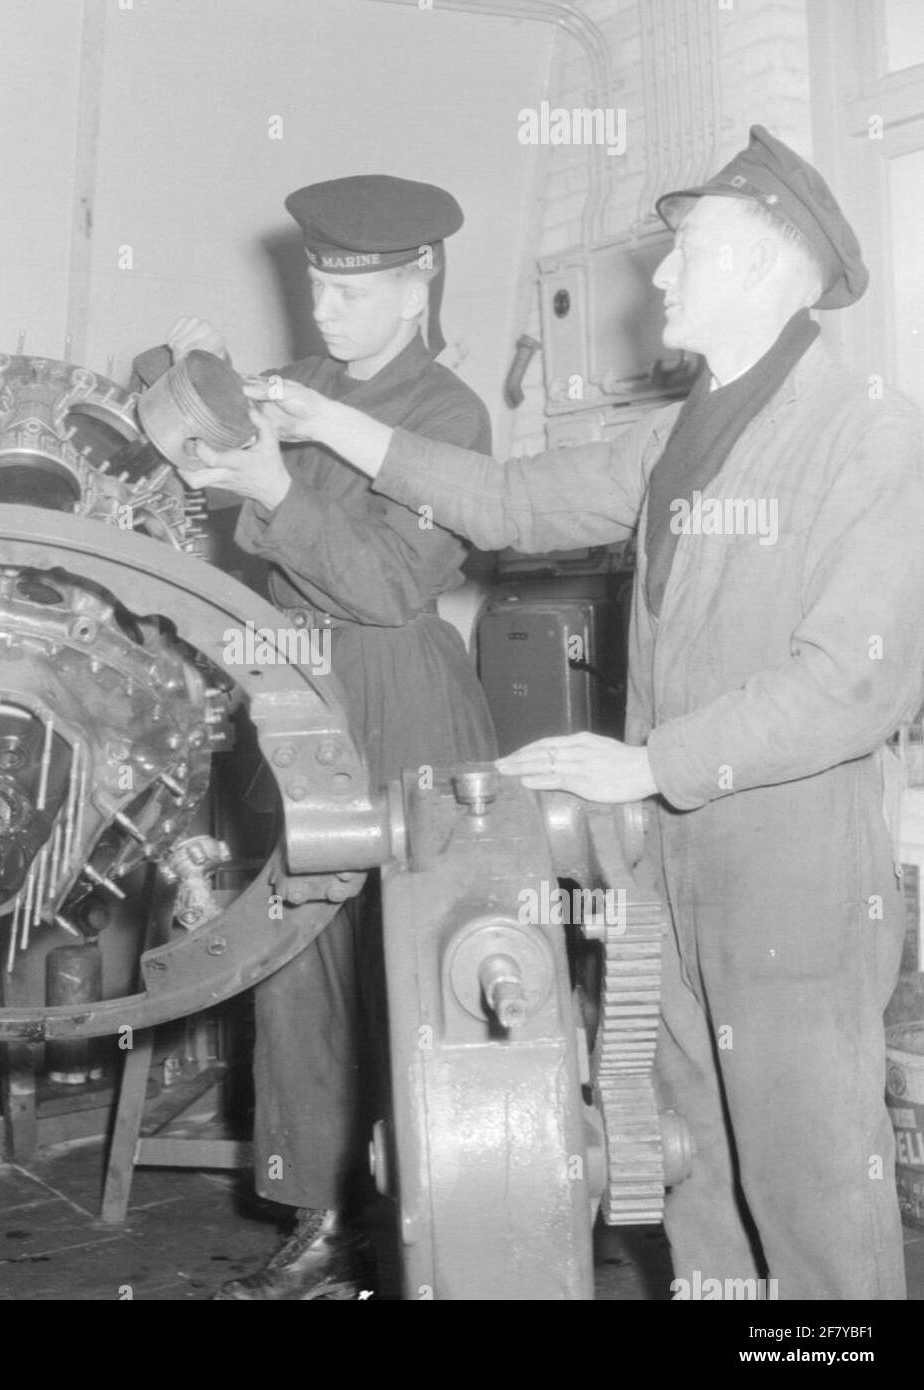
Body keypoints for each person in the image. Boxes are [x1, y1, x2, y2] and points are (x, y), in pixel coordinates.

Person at [189, 128, 924, 1300]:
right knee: (685, 1167)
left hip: (785, 867)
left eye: (687, 254)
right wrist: (331, 426)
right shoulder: (683, 429)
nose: (660, 279)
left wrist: (647, 765)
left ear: (769, 270)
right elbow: (511, 499)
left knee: (809, 1181)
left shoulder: (867, 434)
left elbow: (856, 682)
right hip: (664, 861)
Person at [138, 175, 497, 1298]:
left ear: (417, 285)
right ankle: (320, 1214)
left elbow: (394, 583)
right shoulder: (290, 386)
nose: (326, 310)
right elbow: (184, 468)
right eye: (315, 287)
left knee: (408, 973)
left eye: (354, 291)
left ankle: (425, 1215)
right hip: (294, 705)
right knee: (294, 969)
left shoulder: (449, 416)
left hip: (402, 711)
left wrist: (271, 483)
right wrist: (181, 380)